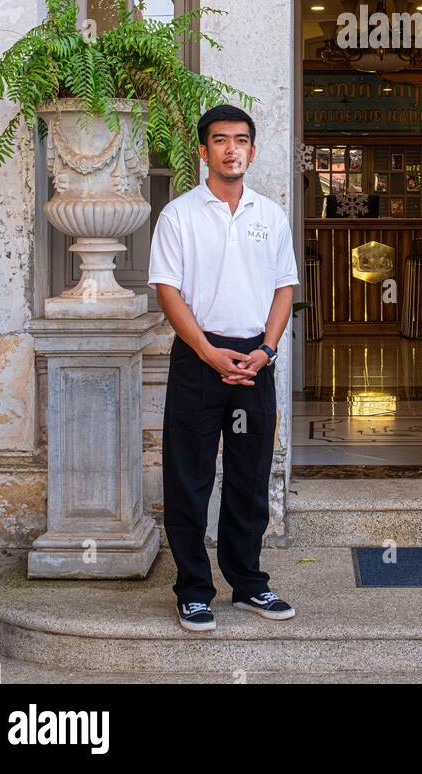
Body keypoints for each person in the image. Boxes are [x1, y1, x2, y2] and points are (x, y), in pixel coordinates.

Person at [148, 103, 299, 633]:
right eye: (219, 140)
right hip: (197, 359)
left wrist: (268, 350)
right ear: (203, 150)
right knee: (188, 478)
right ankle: (193, 589)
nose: (231, 148)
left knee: (249, 476)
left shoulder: (270, 215)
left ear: (252, 150)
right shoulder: (180, 215)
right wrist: (210, 354)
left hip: (256, 359)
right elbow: (168, 291)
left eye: (240, 139)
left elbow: (285, 287)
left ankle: (249, 583)